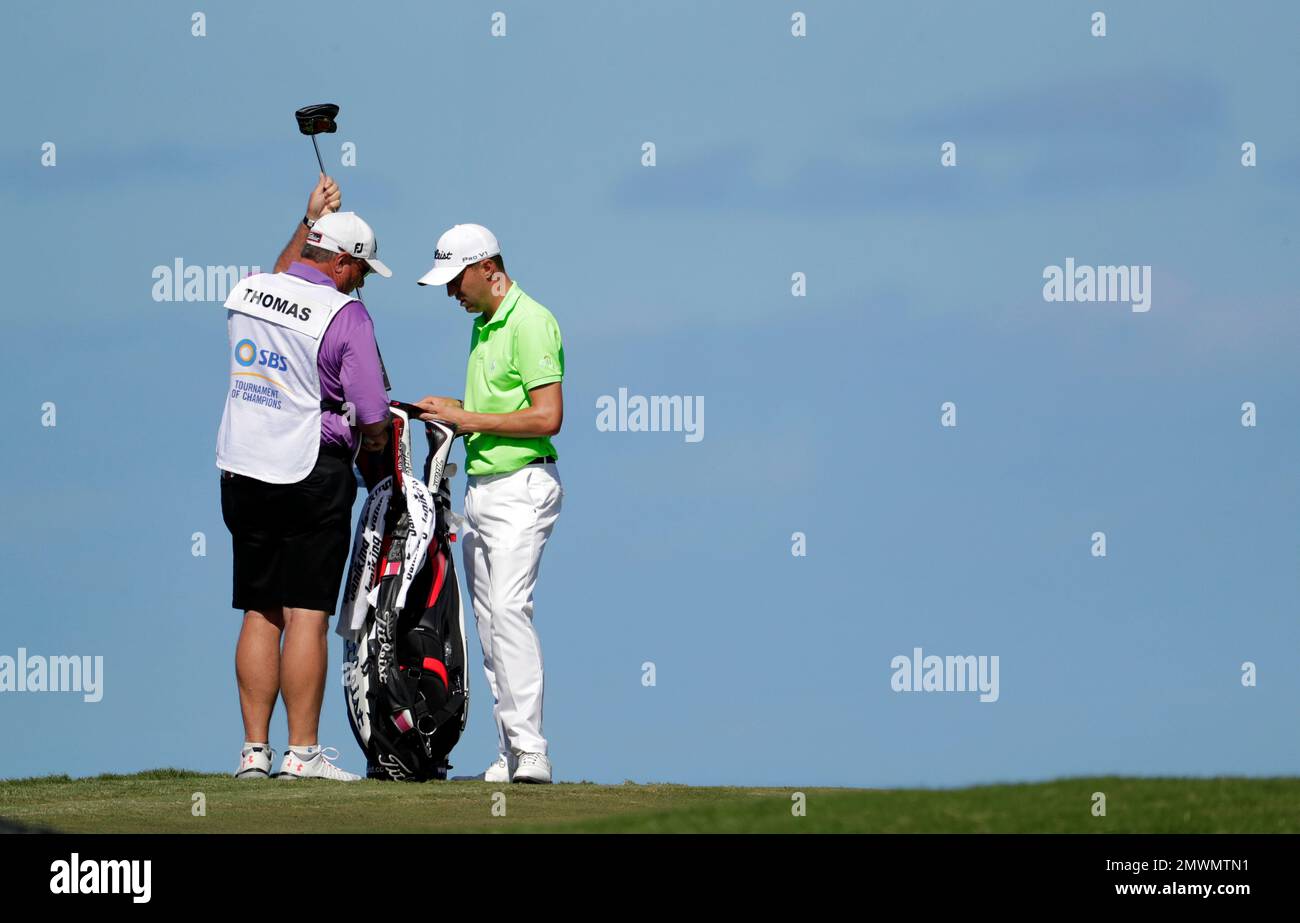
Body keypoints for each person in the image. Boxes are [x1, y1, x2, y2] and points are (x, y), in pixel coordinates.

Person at [218, 175, 392, 781]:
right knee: (306, 613)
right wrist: (377, 461)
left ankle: (252, 754)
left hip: (241, 467)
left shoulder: (251, 290)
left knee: (258, 608)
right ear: (341, 262)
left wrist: (307, 216)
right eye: (362, 270)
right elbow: (372, 413)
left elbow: (283, 274)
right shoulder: (348, 316)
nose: (363, 283)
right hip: (310, 471)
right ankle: (303, 753)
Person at [415, 224, 564, 784]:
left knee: (508, 611)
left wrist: (467, 419)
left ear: (487, 268)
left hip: (523, 487)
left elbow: (548, 417)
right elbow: (499, 406)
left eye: (456, 280)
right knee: (487, 621)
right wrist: (451, 406)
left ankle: (532, 751)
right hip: (482, 489)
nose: (453, 293)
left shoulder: (530, 321)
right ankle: (510, 751)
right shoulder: (484, 327)